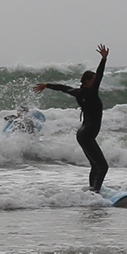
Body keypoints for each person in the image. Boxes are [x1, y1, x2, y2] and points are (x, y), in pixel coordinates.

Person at [34, 43, 110, 192]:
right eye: (93, 79)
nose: (96, 81)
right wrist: (104, 59)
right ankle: (96, 192)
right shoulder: (91, 92)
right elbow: (100, 75)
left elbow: (63, 88)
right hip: (87, 134)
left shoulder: (79, 92)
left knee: (95, 166)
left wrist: (47, 85)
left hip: (82, 134)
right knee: (103, 166)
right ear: (88, 81)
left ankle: (92, 189)